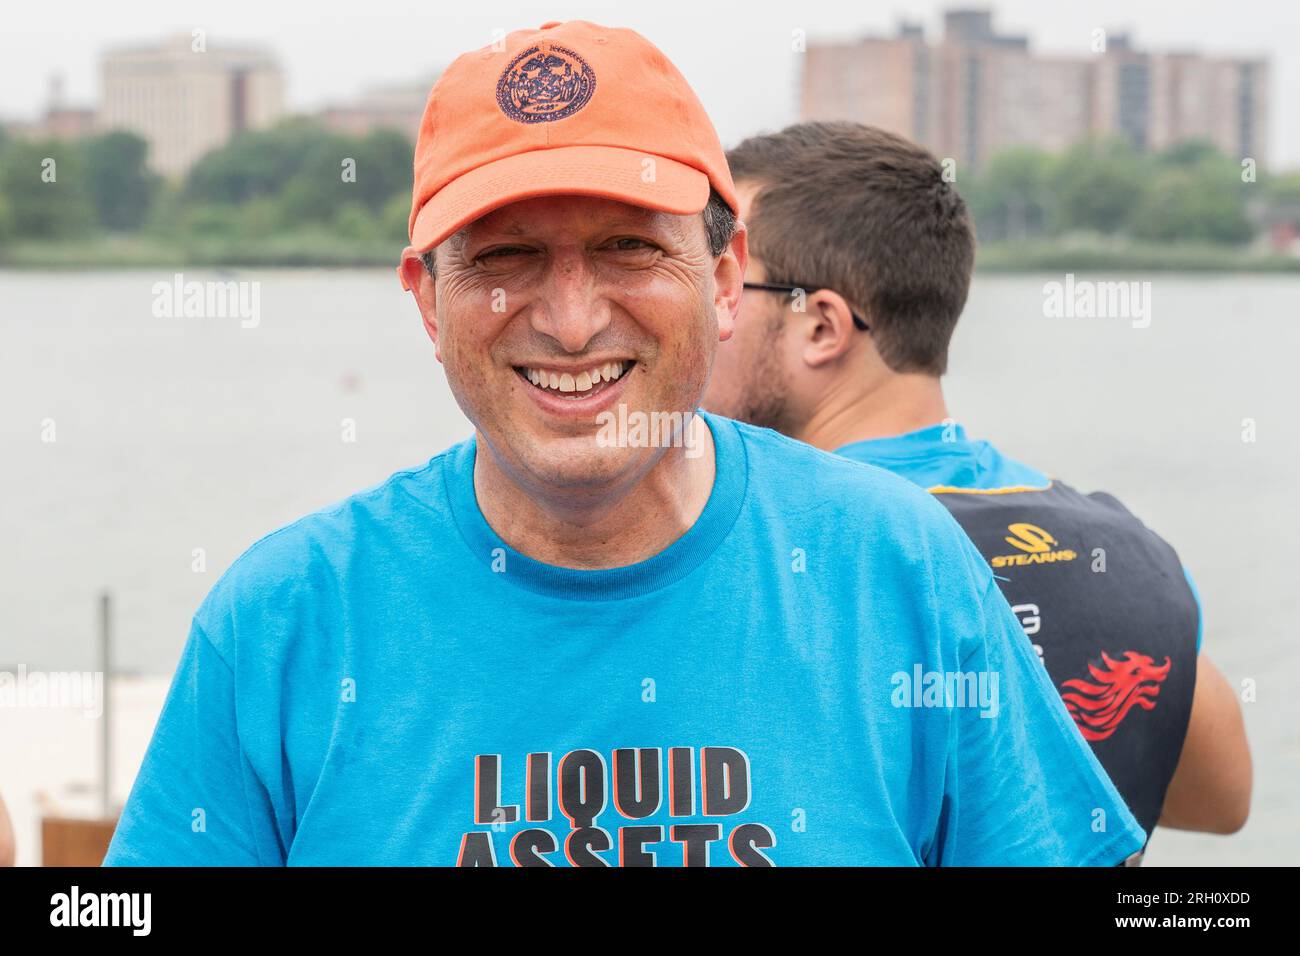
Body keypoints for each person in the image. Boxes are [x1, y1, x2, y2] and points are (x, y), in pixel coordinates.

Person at [103, 22, 1144, 867]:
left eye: (628, 249)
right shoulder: (284, 621)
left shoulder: (898, 570)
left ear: (726, 276)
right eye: (504, 257)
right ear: (427, 301)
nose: (567, 319)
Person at [703, 121, 1251, 846]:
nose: (701, 312)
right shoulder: (1122, 552)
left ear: (821, 328)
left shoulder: (754, 554)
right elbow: (1223, 799)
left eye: (727, 283)